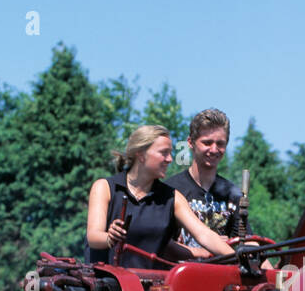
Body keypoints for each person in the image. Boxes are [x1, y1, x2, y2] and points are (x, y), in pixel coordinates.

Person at [86, 125, 234, 270]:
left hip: (151, 290)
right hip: (105, 287)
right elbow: (93, 237)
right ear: (141, 155)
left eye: (170, 153)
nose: (170, 159)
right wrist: (109, 238)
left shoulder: (173, 198)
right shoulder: (104, 187)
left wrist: (239, 259)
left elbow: (204, 234)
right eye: (164, 153)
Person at [168, 109, 244, 256]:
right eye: (207, 142)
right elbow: (161, 243)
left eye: (220, 143)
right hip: (181, 274)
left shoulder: (233, 194)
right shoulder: (170, 189)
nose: (214, 149)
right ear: (190, 143)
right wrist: (207, 251)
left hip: (222, 275)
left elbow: (245, 241)